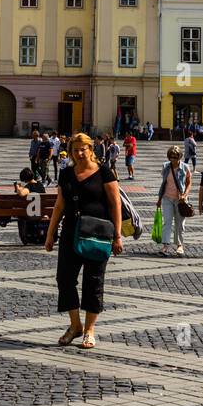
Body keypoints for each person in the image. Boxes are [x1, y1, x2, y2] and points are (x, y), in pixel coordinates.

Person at [45, 132, 122, 350]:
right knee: (64, 279)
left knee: (93, 280)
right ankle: (75, 325)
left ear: (91, 149)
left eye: (83, 149)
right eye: (75, 150)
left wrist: (117, 235)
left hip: (97, 233)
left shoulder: (104, 172)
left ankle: (90, 330)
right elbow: (60, 204)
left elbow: (115, 204)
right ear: (70, 151)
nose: (79, 153)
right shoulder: (66, 173)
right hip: (71, 231)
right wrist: (51, 233)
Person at [157, 146, 192, 257]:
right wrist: (159, 199)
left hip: (180, 200)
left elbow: (189, 183)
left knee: (179, 223)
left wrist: (185, 195)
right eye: (171, 157)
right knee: (167, 221)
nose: (173, 159)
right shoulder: (165, 166)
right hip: (167, 198)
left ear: (180, 157)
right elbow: (164, 183)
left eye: (175, 157)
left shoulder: (185, 167)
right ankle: (165, 245)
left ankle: (179, 245)